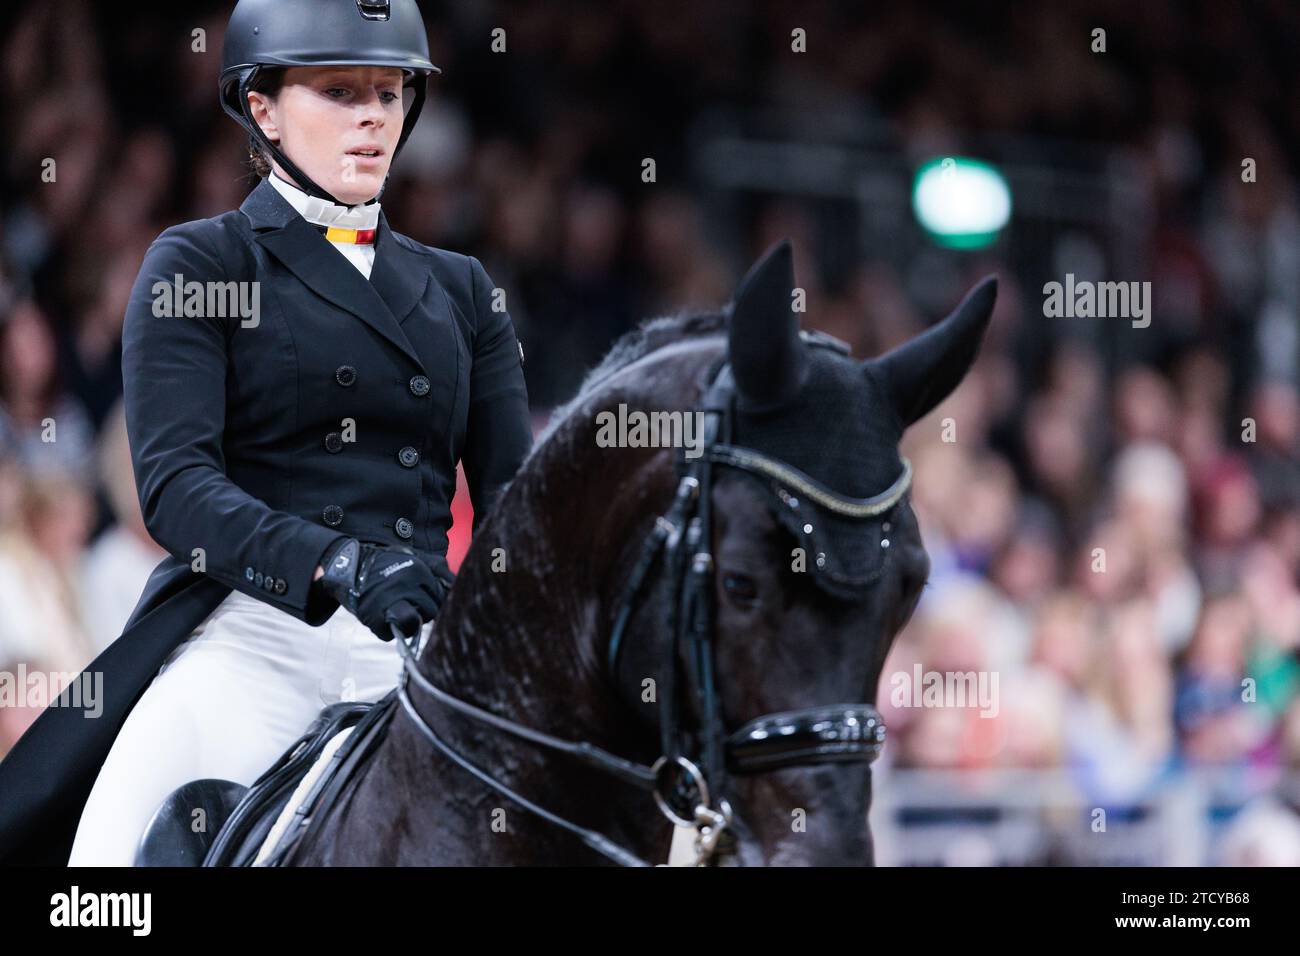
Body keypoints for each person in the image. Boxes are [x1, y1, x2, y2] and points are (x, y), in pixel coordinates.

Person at [0, 0, 533, 865]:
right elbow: (174, 487)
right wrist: (336, 562)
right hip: (253, 645)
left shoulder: (464, 291)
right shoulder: (202, 262)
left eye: (390, 94)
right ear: (264, 108)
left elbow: (513, 501)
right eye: (339, 91)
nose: (372, 117)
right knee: (104, 865)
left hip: (421, 660)